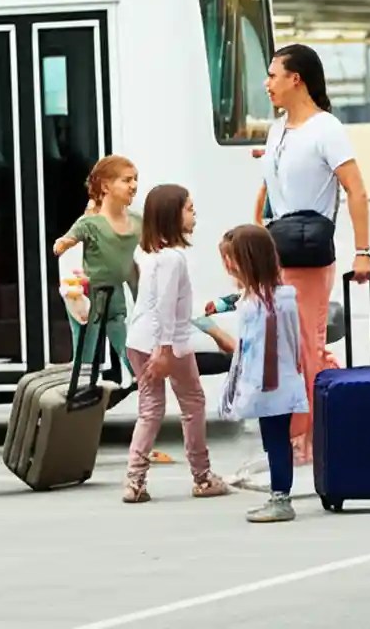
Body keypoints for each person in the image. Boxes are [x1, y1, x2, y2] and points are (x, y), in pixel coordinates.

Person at [256, 43, 370, 466]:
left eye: (273, 75)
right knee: (283, 347)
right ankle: (302, 428)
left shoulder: (327, 129)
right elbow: (269, 189)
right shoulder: (278, 130)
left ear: (296, 79)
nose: (267, 83)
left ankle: (306, 438)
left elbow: (356, 190)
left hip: (307, 255)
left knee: (306, 345)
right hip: (276, 251)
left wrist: (363, 252)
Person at [120, 183, 231, 503]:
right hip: (169, 344)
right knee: (193, 404)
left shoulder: (147, 251)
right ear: (172, 215)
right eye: (189, 208)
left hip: (138, 340)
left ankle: (135, 480)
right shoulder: (173, 259)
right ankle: (202, 476)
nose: (194, 214)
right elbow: (167, 307)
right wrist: (165, 350)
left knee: (150, 410)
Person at [215, 225, 309, 522]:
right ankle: (278, 495)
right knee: (275, 440)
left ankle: (281, 498)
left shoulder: (259, 305)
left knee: (277, 441)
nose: (227, 266)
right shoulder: (278, 296)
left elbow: (250, 351)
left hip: (269, 385)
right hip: (282, 381)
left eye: (231, 260)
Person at [53, 155, 141, 408]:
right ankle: (85, 384)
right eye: (127, 180)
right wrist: (64, 244)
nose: (133, 185)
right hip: (88, 293)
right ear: (105, 187)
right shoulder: (89, 224)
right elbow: (62, 244)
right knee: (91, 334)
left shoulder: (134, 220)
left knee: (117, 330)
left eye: (135, 180)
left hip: (112, 291)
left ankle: (131, 371)